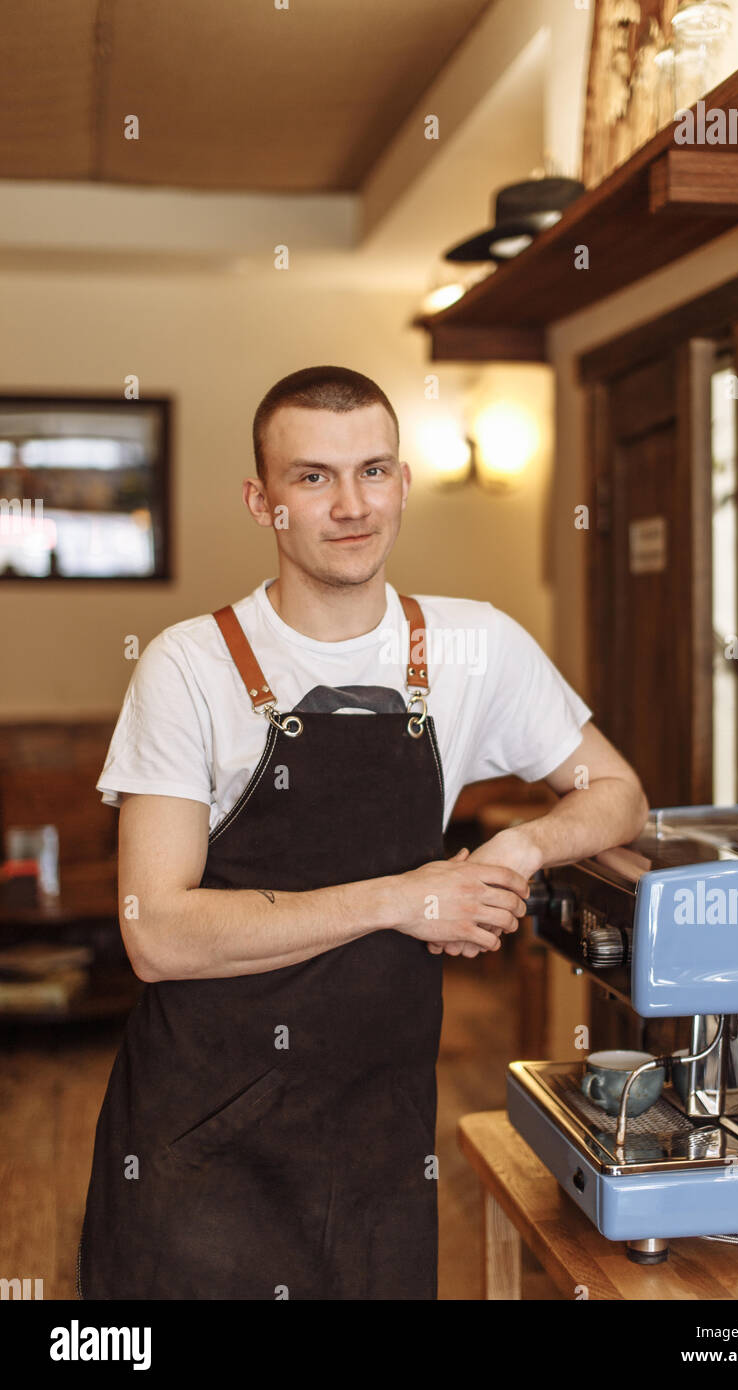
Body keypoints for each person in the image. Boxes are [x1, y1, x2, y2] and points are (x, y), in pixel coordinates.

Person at [77, 364, 648, 1301]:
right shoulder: (189, 666)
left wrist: (519, 849)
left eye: (373, 471)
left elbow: (615, 791)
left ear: (404, 483)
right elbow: (157, 933)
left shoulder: (475, 644)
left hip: (379, 1134)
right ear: (264, 501)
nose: (351, 505)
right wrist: (408, 895)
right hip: (203, 1139)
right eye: (313, 478)